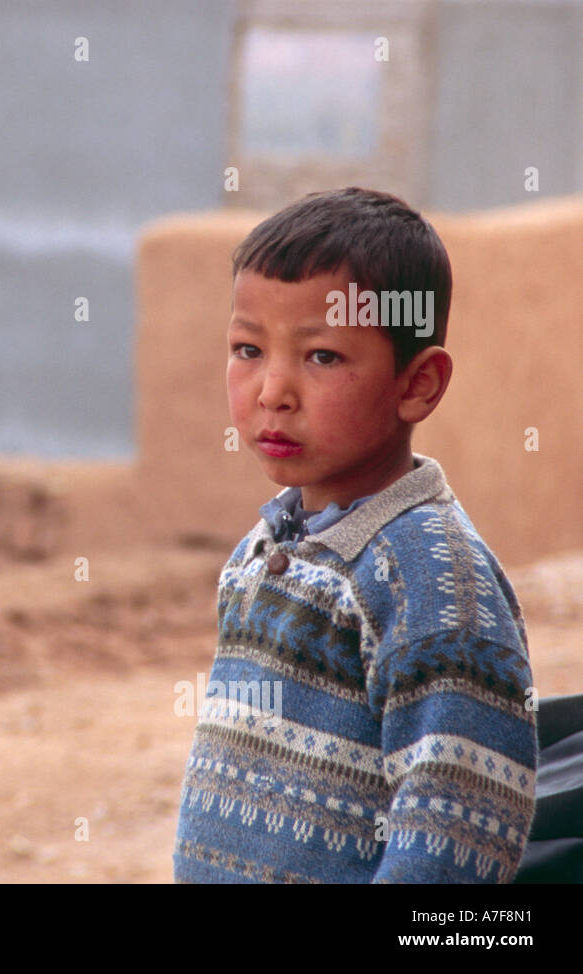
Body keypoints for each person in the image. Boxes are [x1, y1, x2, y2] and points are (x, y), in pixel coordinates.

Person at [173, 187, 538, 883]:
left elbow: (457, 838)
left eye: (323, 358)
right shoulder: (263, 550)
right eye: (248, 348)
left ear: (418, 385)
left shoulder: (432, 580)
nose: (272, 390)